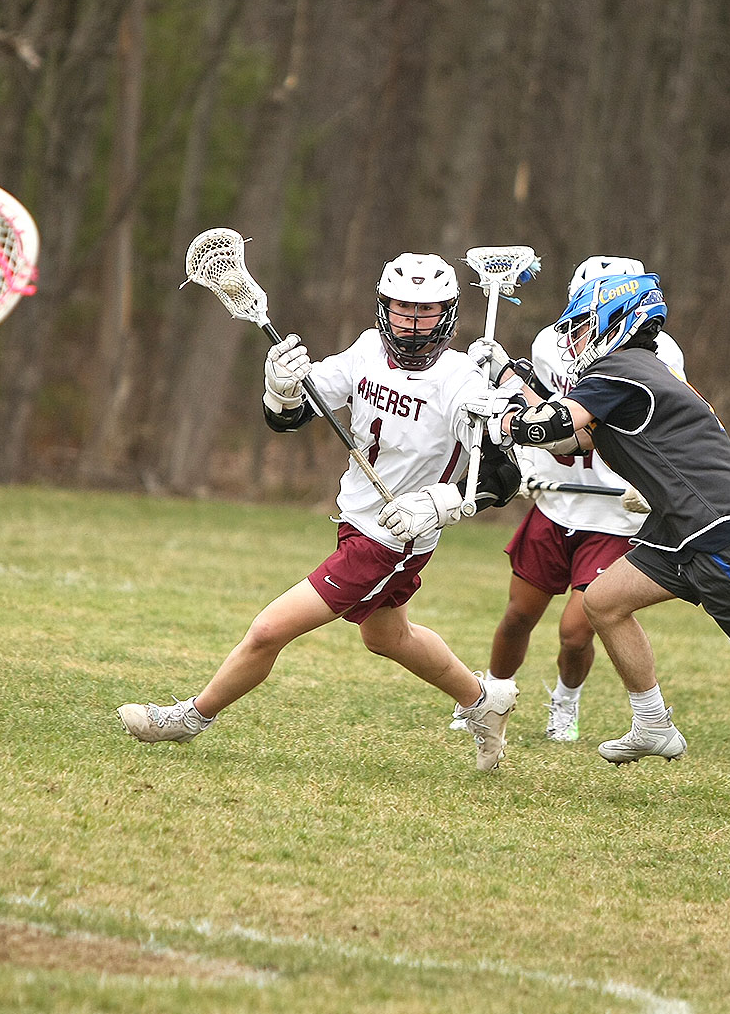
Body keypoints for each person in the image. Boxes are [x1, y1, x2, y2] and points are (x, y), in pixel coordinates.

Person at [117, 253, 523, 770]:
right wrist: (280, 389)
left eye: (427, 310)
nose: (413, 322)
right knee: (387, 636)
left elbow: (503, 473)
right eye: (403, 308)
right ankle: (484, 700)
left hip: (393, 539)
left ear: (449, 313)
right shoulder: (367, 350)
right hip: (358, 521)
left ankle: (189, 718)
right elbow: (290, 417)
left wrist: (442, 503)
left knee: (268, 631)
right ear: (384, 307)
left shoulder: (462, 378)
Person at [472, 271, 730, 763]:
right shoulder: (632, 373)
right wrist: (511, 377)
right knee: (602, 602)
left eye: (580, 325)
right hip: (679, 534)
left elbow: (551, 425)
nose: (574, 339)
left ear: (616, 319)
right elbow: (572, 438)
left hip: (718, 541)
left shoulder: (622, 372)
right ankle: (653, 725)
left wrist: (495, 419)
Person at [458, 256, 685, 744]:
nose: (576, 331)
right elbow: (546, 401)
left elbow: (596, 426)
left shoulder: (658, 354)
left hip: (613, 515)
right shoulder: (551, 343)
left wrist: (654, 479)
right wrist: (505, 374)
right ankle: (489, 696)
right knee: (519, 614)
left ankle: (566, 701)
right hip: (556, 504)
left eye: (589, 318)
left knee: (576, 630)